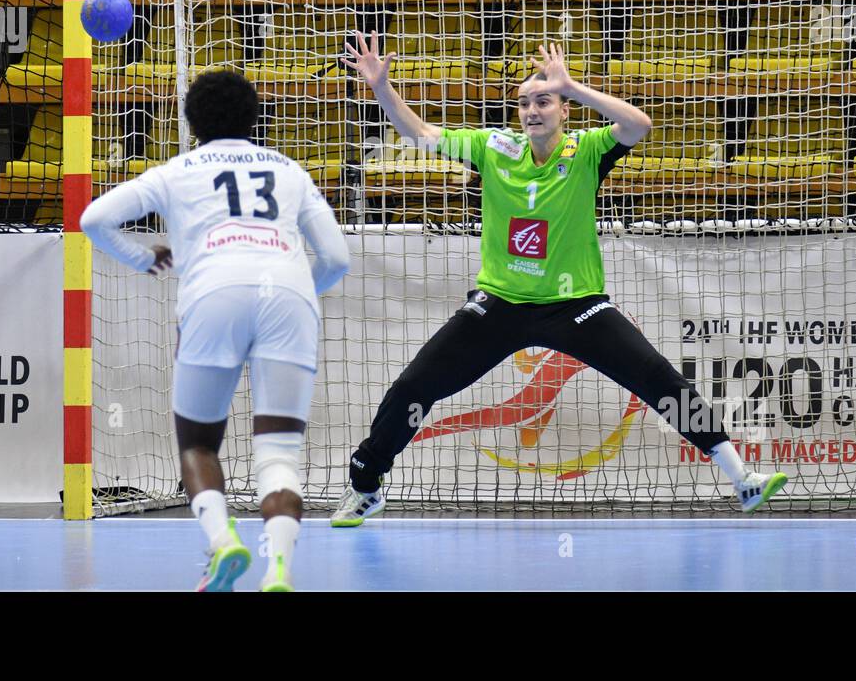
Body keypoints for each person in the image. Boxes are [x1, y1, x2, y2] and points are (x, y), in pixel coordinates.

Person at [332, 31, 788, 525]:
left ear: (563, 108)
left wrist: (572, 85)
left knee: (660, 381)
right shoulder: (493, 148)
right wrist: (380, 86)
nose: (531, 110)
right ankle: (365, 487)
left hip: (577, 307)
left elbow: (638, 124)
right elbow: (418, 134)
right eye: (524, 102)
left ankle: (742, 478)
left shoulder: (587, 150)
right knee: (415, 386)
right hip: (500, 305)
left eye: (544, 100)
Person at [81, 70, 350, 592]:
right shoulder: (290, 170)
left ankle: (223, 541)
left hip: (212, 294)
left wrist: (143, 259)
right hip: (289, 298)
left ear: (192, 122)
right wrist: (293, 288)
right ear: (255, 117)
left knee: (198, 444)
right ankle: (279, 567)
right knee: (278, 454)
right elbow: (337, 258)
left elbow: (94, 219)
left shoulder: (176, 170)